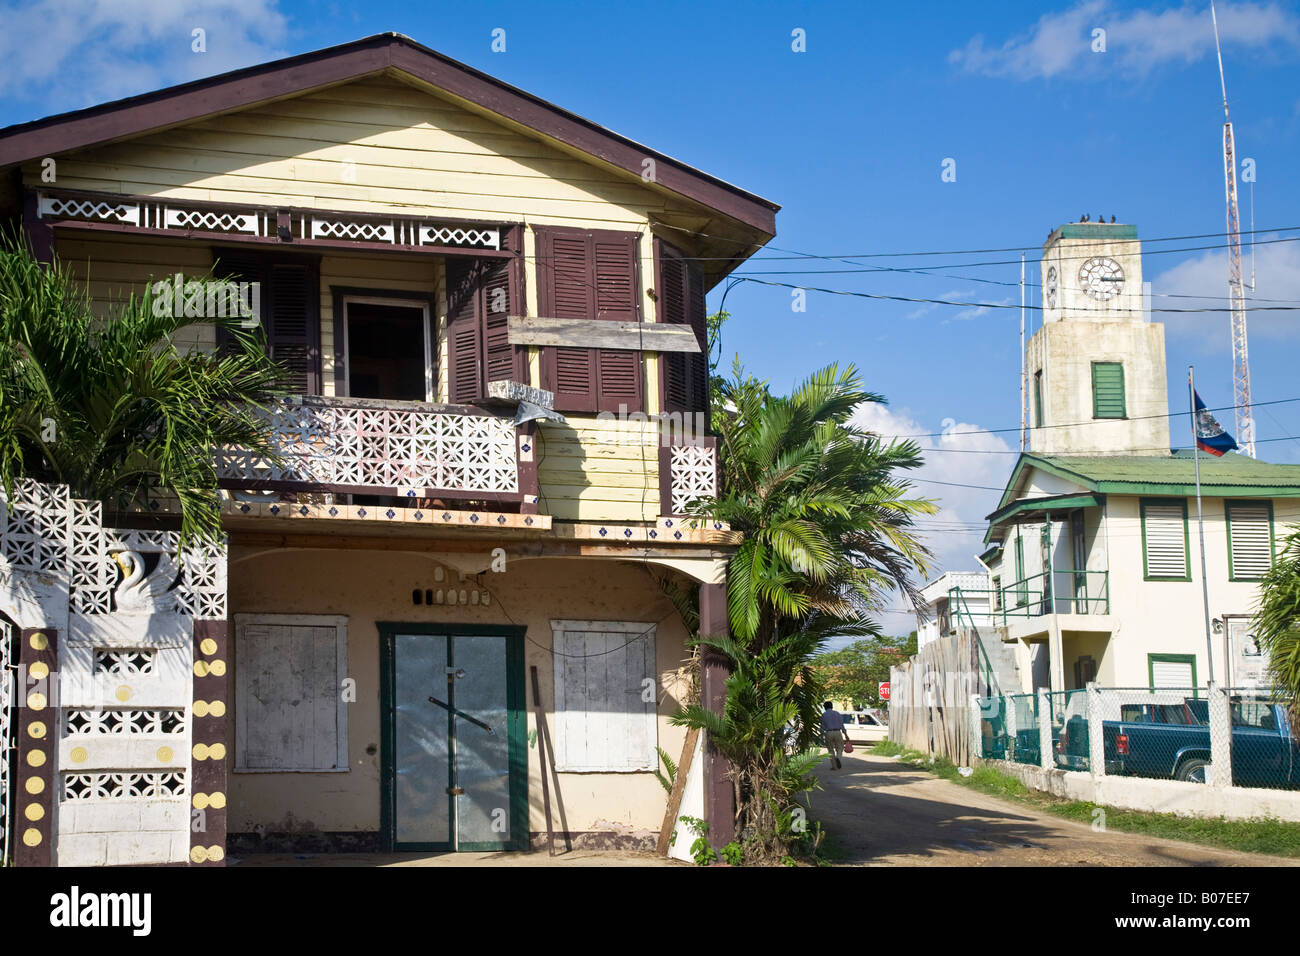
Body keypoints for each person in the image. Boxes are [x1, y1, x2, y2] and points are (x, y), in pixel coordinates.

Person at [820, 701, 847, 769]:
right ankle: (838, 757)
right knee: (840, 747)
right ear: (832, 706)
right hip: (837, 732)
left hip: (828, 732)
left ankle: (834, 766)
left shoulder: (824, 715)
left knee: (830, 750)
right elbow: (842, 725)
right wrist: (845, 734)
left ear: (825, 707)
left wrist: (821, 735)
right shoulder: (837, 714)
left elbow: (822, 727)